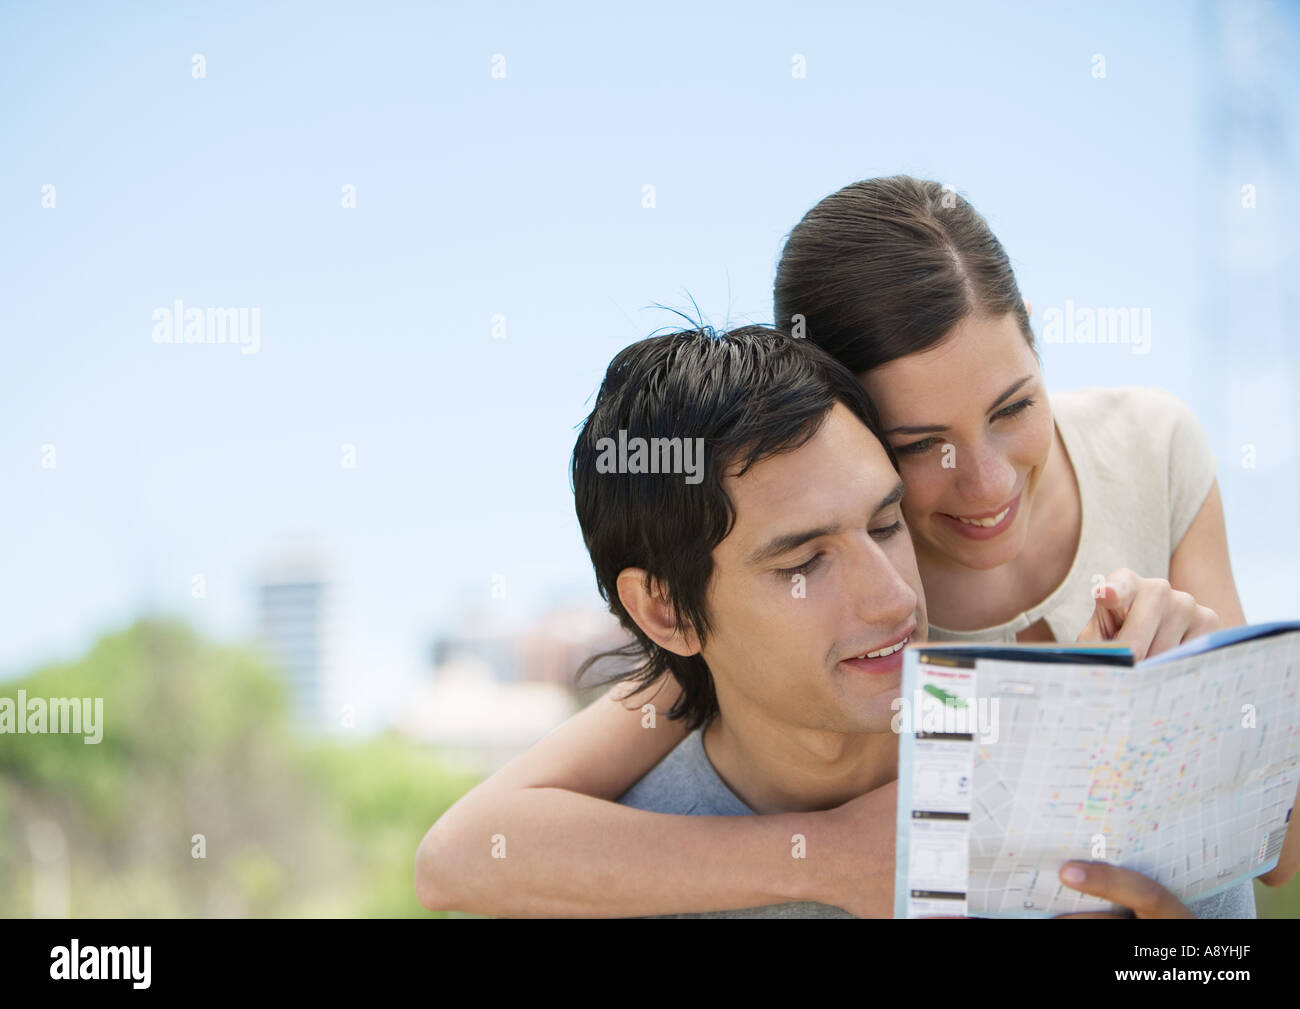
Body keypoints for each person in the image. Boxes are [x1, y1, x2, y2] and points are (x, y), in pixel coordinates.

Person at [415, 177, 1296, 916]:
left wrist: (1213, 705)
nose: (986, 486)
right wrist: (832, 855)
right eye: (920, 447)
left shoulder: (1145, 449)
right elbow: (458, 853)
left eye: (1014, 406)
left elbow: (1267, 862)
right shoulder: (735, 643)